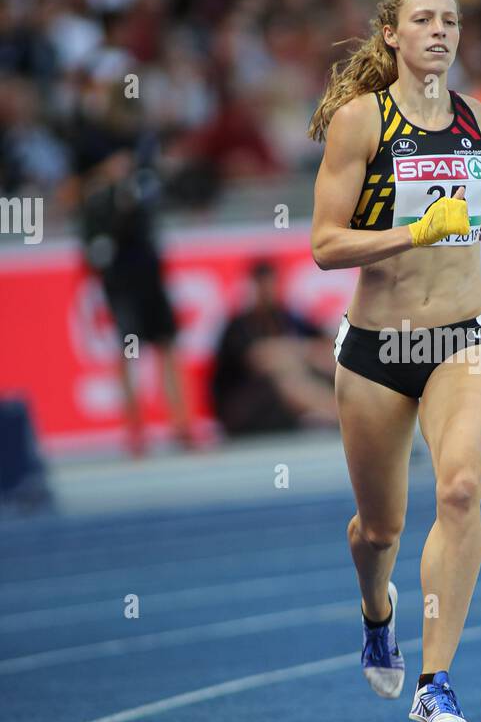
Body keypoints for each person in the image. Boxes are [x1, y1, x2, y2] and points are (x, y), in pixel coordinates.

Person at [308, 0, 481, 722]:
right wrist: (410, 233)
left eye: (451, 19)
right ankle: (375, 611)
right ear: (392, 33)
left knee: (459, 491)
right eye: (423, 18)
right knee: (378, 531)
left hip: (462, 339)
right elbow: (325, 245)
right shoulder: (361, 123)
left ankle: (437, 681)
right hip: (376, 352)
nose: (440, 31)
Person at [59, 75, 194, 457]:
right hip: (114, 256)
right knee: (127, 342)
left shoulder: (143, 139)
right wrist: (106, 174)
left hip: (145, 251)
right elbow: (68, 195)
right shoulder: (89, 142)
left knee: (166, 337)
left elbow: (156, 185)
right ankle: (136, 431)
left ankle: (181, 425)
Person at [211, 259, 339, 437]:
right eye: (262, 285)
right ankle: (337, 413)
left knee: (330, 360)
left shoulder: (288, 317)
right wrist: (299, 352)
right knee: (285, 373)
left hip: (279, 404)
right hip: (243, 407)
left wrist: (307, 353)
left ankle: (349, 408)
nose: (268, 290)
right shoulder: (239, 325)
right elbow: (260, 359)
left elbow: (326, 343)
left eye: (272, 284)